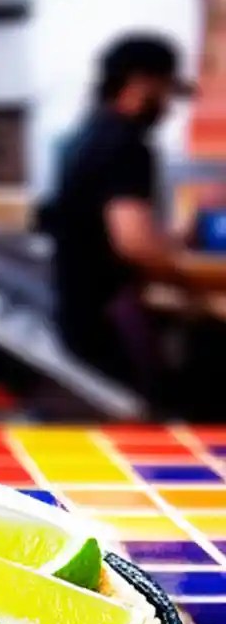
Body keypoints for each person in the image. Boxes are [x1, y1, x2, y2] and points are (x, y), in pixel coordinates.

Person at [46, 33, 194, 401]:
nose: (168, 108)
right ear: (142, 82)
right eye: (165, 92)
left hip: (76, 317)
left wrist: (172, 239)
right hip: (110, 321)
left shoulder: (83, 136)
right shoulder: (127, 145)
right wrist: (190, 281)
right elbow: (133, 242)